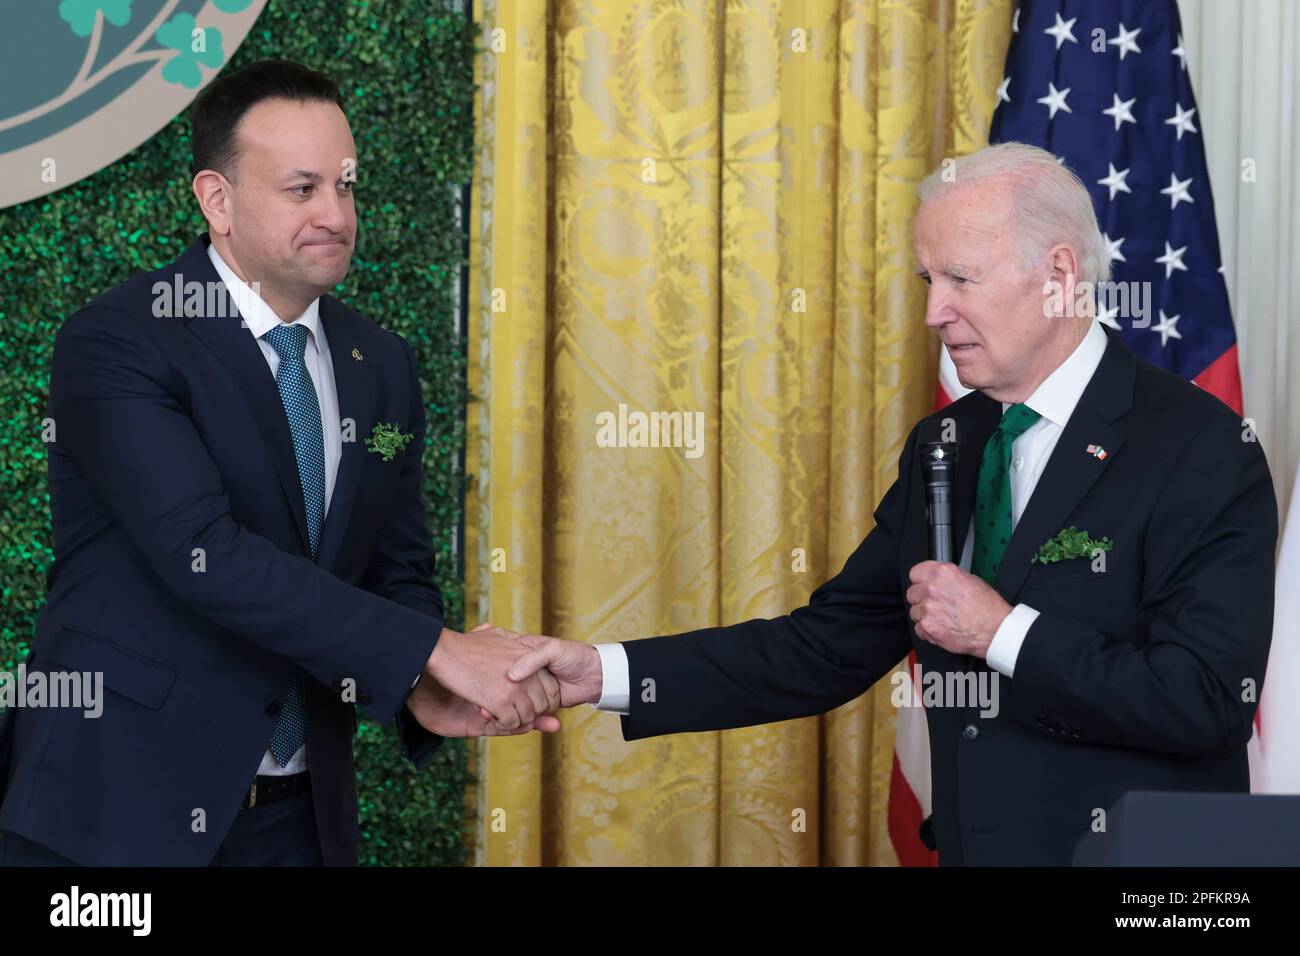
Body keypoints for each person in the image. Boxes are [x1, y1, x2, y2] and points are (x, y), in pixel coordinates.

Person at [504, 142, 1279, 865]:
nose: (934, 313)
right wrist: (601, 673)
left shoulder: (1201, 447)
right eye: (927, 282)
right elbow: (823, 647)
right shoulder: (947, 440)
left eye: (960, 280)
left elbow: (1206, 700)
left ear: (1059, 274)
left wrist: (1002, 632)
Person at [0, 59, 558, 867]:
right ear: (216, 201)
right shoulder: (119, 339)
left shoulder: (383, 363)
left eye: (347, 183)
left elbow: (395, 569)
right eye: (303, 189)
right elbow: (208, 556)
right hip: (113, 815)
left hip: (301, 825)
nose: (336, 213)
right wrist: (435, 651)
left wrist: (421, 685)